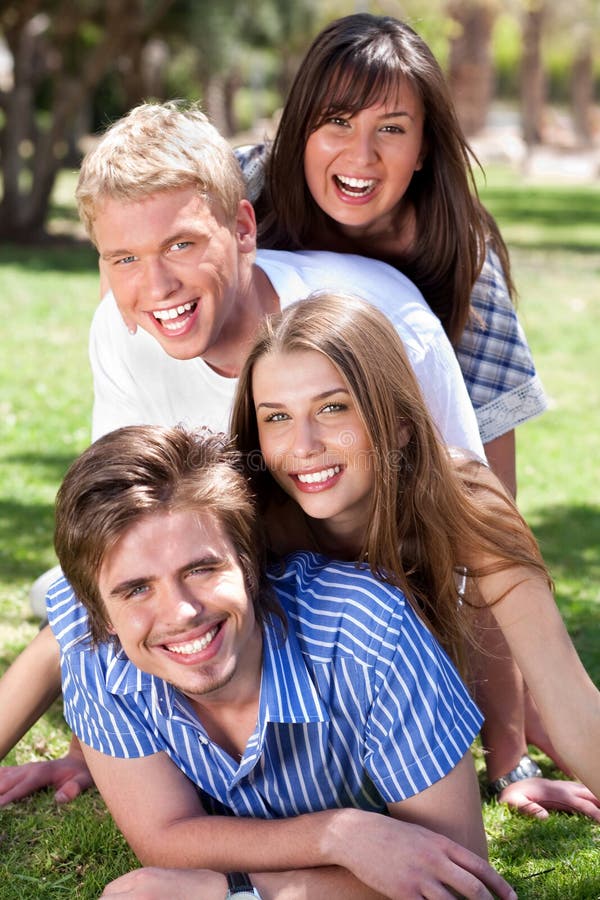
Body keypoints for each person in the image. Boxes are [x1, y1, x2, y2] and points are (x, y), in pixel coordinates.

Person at [0, 99, 588, 821]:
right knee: (91, 591)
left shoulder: (383, 329)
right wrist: (98, 743)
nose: (156, 286)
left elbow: (479, 555)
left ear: (243, 230)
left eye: (181, 245)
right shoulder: (248, 484)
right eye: (124, 258)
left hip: (393, 647)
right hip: (258, 627)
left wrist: (508, 755)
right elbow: (125, 544)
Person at [47, 424, 516, 900]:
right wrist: (336, 834)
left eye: (201, 569)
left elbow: (458, 880)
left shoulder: (368, 631)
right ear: (100, 613)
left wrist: (227, 892)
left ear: (248, 565)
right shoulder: (94, 646)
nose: (182, 612)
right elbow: (164, 834)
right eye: (137, 589)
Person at [230, 292, 600, 810]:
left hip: (418, 744)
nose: (303, 445)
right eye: (276, 418)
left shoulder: (465, 501)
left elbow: (568, 692)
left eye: (333, 408)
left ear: (400, 422)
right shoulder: (246, 520)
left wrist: (510, 764)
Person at [236, 12, 548, 499]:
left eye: (392, 129)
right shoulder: (243, 188)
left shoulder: (462, 259)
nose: (362, 155)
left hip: (391, 502)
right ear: (300, 131)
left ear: (423, 148)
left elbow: (492, 483)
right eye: (338, 121)